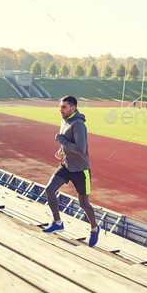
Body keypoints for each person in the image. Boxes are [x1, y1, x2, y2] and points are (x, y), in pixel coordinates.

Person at [42, 95, 99, 247]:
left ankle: (94, 228)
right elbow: (68, 140)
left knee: (84, 204)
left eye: (64, 107)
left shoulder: (79, 124)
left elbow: (80, 149)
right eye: (60, 107)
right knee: (49, 190)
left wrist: (61, 141)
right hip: (67, 166)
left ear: (73, 108)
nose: (60, 110)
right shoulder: (64, 121)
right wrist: (61, 149)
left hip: (81, 170)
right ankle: (57, 222)